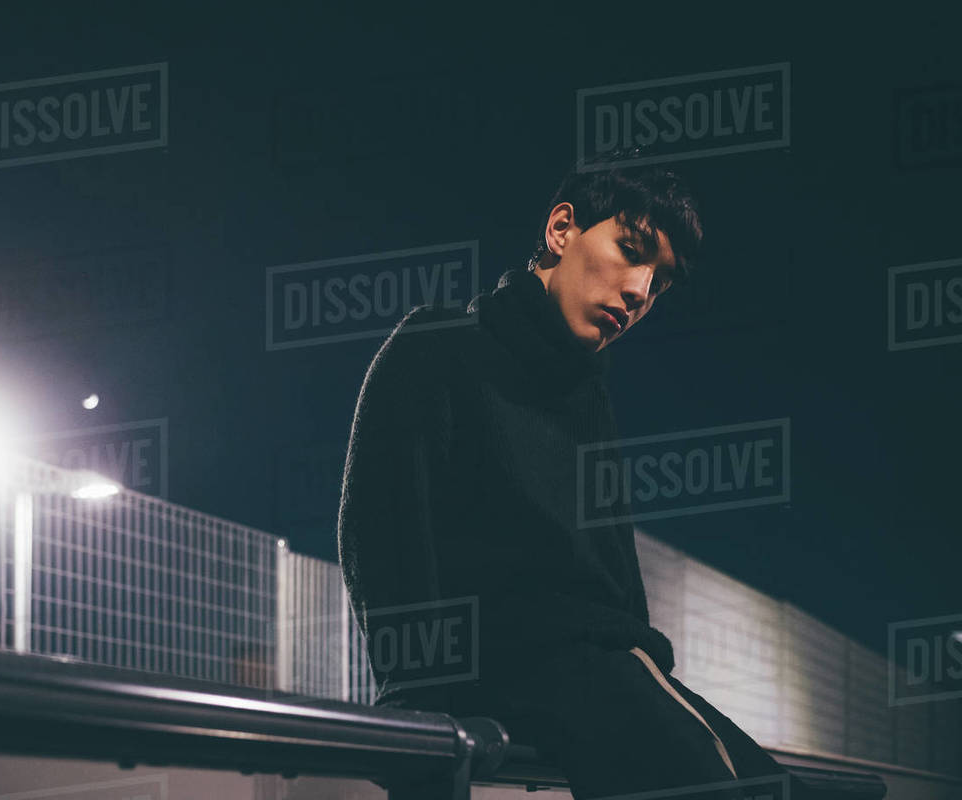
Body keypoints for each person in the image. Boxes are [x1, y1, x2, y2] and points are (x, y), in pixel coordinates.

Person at [336, 157, 813, 800]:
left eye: (661, 281)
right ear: (562, 229)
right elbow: (382, 530)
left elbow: (616, 569)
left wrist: (652, 676)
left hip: (604, 669)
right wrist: (418, 709)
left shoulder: (587, 394)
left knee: (784, 785)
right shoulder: (439, 345)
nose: (642, 290)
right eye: (631, 249)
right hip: (503, 662)